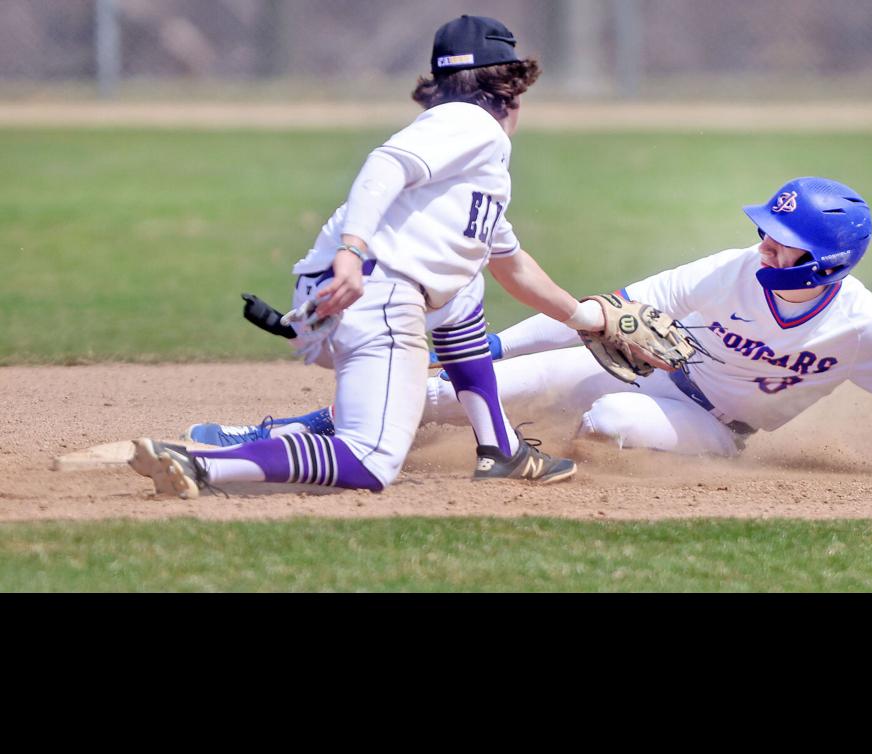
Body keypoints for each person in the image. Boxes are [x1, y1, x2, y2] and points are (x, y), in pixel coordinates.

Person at [189, 176, 872, 477]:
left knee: (615, 424)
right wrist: (481, 353)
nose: (762, 243)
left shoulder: (864, 327)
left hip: (706, 426)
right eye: (765, 229)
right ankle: (286, 438)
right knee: (456, 392)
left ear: (823, 262)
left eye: (782, 240)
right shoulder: (731, 270)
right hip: (647, 374)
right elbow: (603, 320)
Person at [129, 15, 624, 500]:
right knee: (369, 460)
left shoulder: (465, 171)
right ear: (511, 88)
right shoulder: (473, 125)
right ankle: (200, 463)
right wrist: (352, 250)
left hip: (346, 296)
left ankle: (500, 446)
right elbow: (386, 163)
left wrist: (589, 319)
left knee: (462, 281)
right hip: (367, 292)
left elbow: (511, 266)